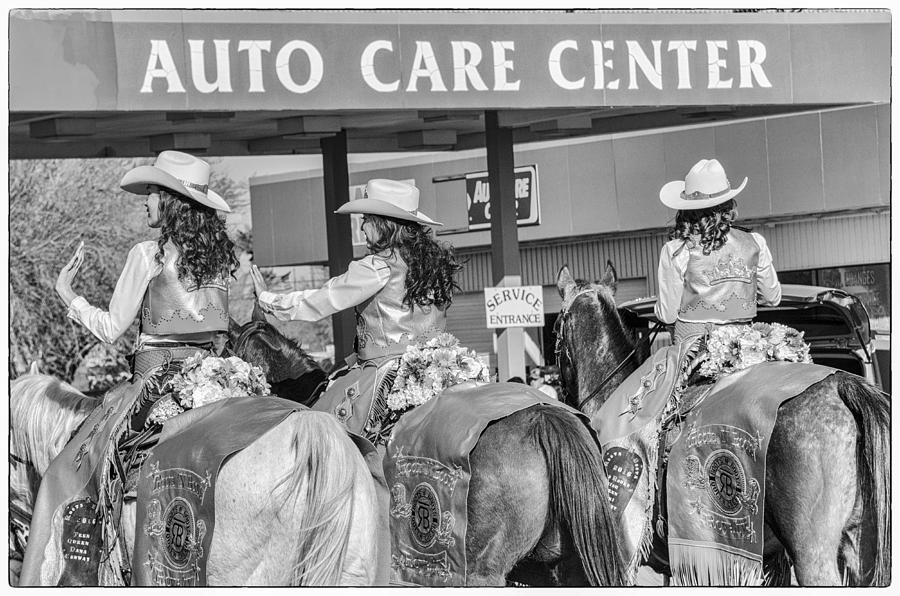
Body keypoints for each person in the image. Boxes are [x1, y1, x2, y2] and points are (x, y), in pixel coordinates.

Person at [22, 151, 236, 585]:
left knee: (72, 466)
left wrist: (69, 294)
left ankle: (92, 564)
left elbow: (110, 329)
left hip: (154, 382)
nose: (145, 202)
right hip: (217, 377)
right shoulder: (219, 257)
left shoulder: (147, 254)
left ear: (171, 201)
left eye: (153, 193)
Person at [250, 178, 461, 442]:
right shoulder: (433, 265)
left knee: (315, 433)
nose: (361, 226)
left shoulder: (376, 266)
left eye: (366, 219)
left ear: (383, 224)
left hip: (385, 372)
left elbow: (322, 300)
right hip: (442, 366)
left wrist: (268, 299)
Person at [655, 158, 781, 344]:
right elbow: (772, 298)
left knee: (655, 372)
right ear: (728, 204)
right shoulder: (755, 242)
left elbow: (667, 315)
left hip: (694, 347)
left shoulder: (676, 250)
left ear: (686, 210)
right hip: (743, 347)